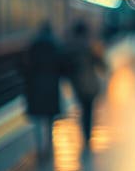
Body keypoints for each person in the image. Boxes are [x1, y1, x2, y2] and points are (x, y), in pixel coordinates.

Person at [20, 23, 63, 160]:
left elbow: (25, 69)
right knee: (50, 120)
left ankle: (39, 149)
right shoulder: (55, 46)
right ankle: (48, 147)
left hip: (35, 88)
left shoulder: (33, 46)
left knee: (38, 121)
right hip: (51, 88)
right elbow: (62, 67)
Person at [64, 21, 107, 152]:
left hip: (78, 84)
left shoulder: (71, 48)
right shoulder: (91, 47)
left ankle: (85, 134)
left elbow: (66, 68)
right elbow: (102, 64)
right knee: (89, 109)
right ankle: (87, 135)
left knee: (83, 108)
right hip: (91, 84)